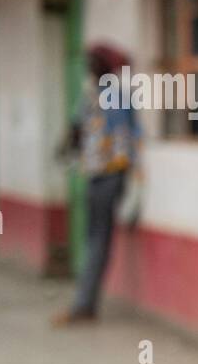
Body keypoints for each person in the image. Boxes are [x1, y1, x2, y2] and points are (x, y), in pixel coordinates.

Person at [52, 42, 140, 326]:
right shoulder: (94, 95)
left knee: (97, 240)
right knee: (93, 238)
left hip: (110, 177)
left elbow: (127, 138)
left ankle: (84, 305)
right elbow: (79, 128)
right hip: (96, 175)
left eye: (93, 62)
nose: (89, 67)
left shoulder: (115, 96)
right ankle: (84, 302)